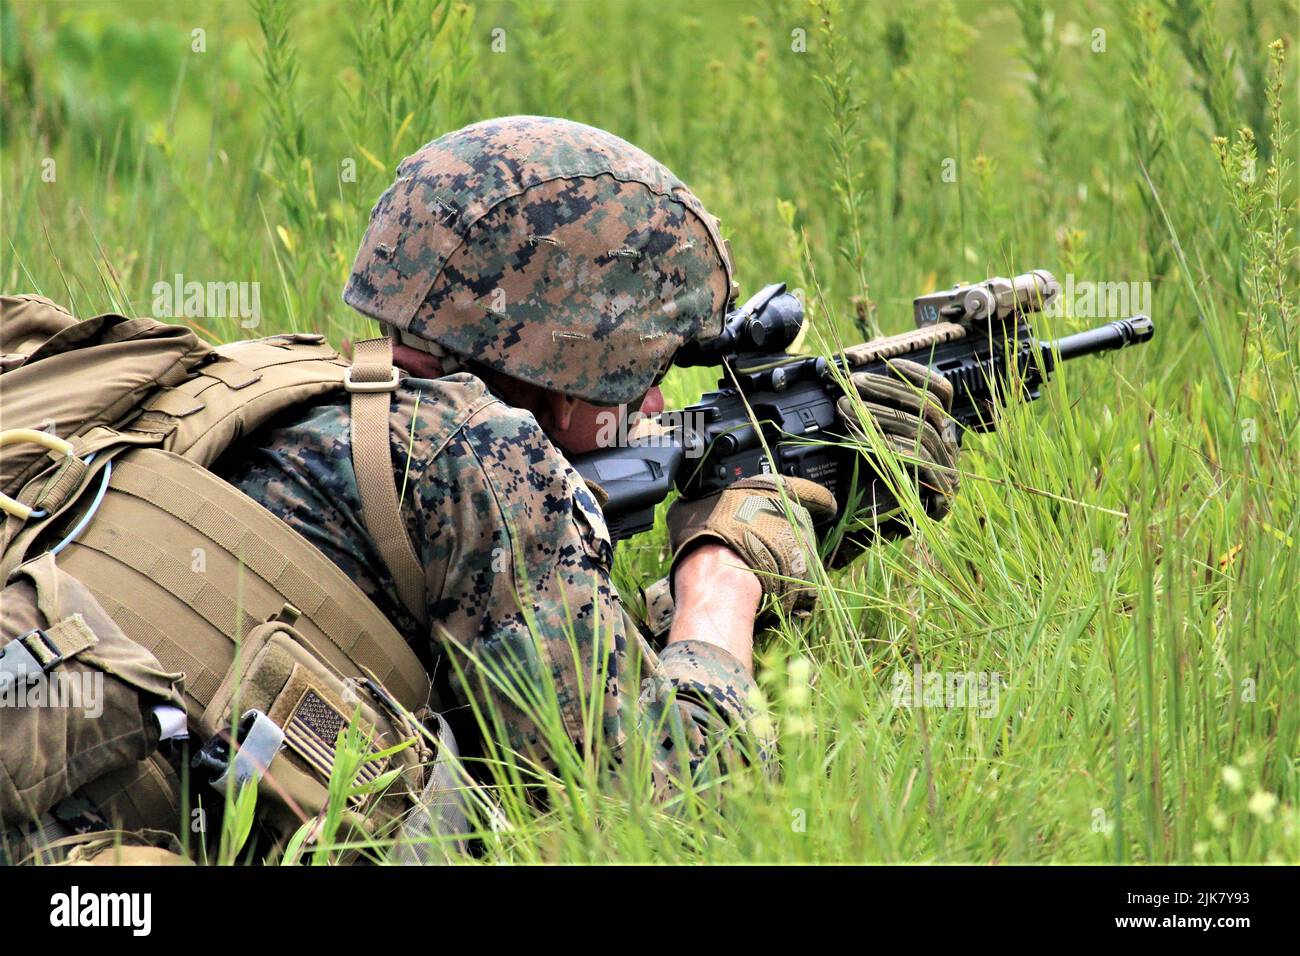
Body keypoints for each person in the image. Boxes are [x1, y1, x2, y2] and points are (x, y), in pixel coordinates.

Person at [211, 115, 962, 802]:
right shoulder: (482, 459)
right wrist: (725, 578)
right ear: (573, 373)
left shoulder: (288, 395)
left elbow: (512, 682)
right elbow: (665, 802)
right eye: (647, 377)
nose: (657, 409)